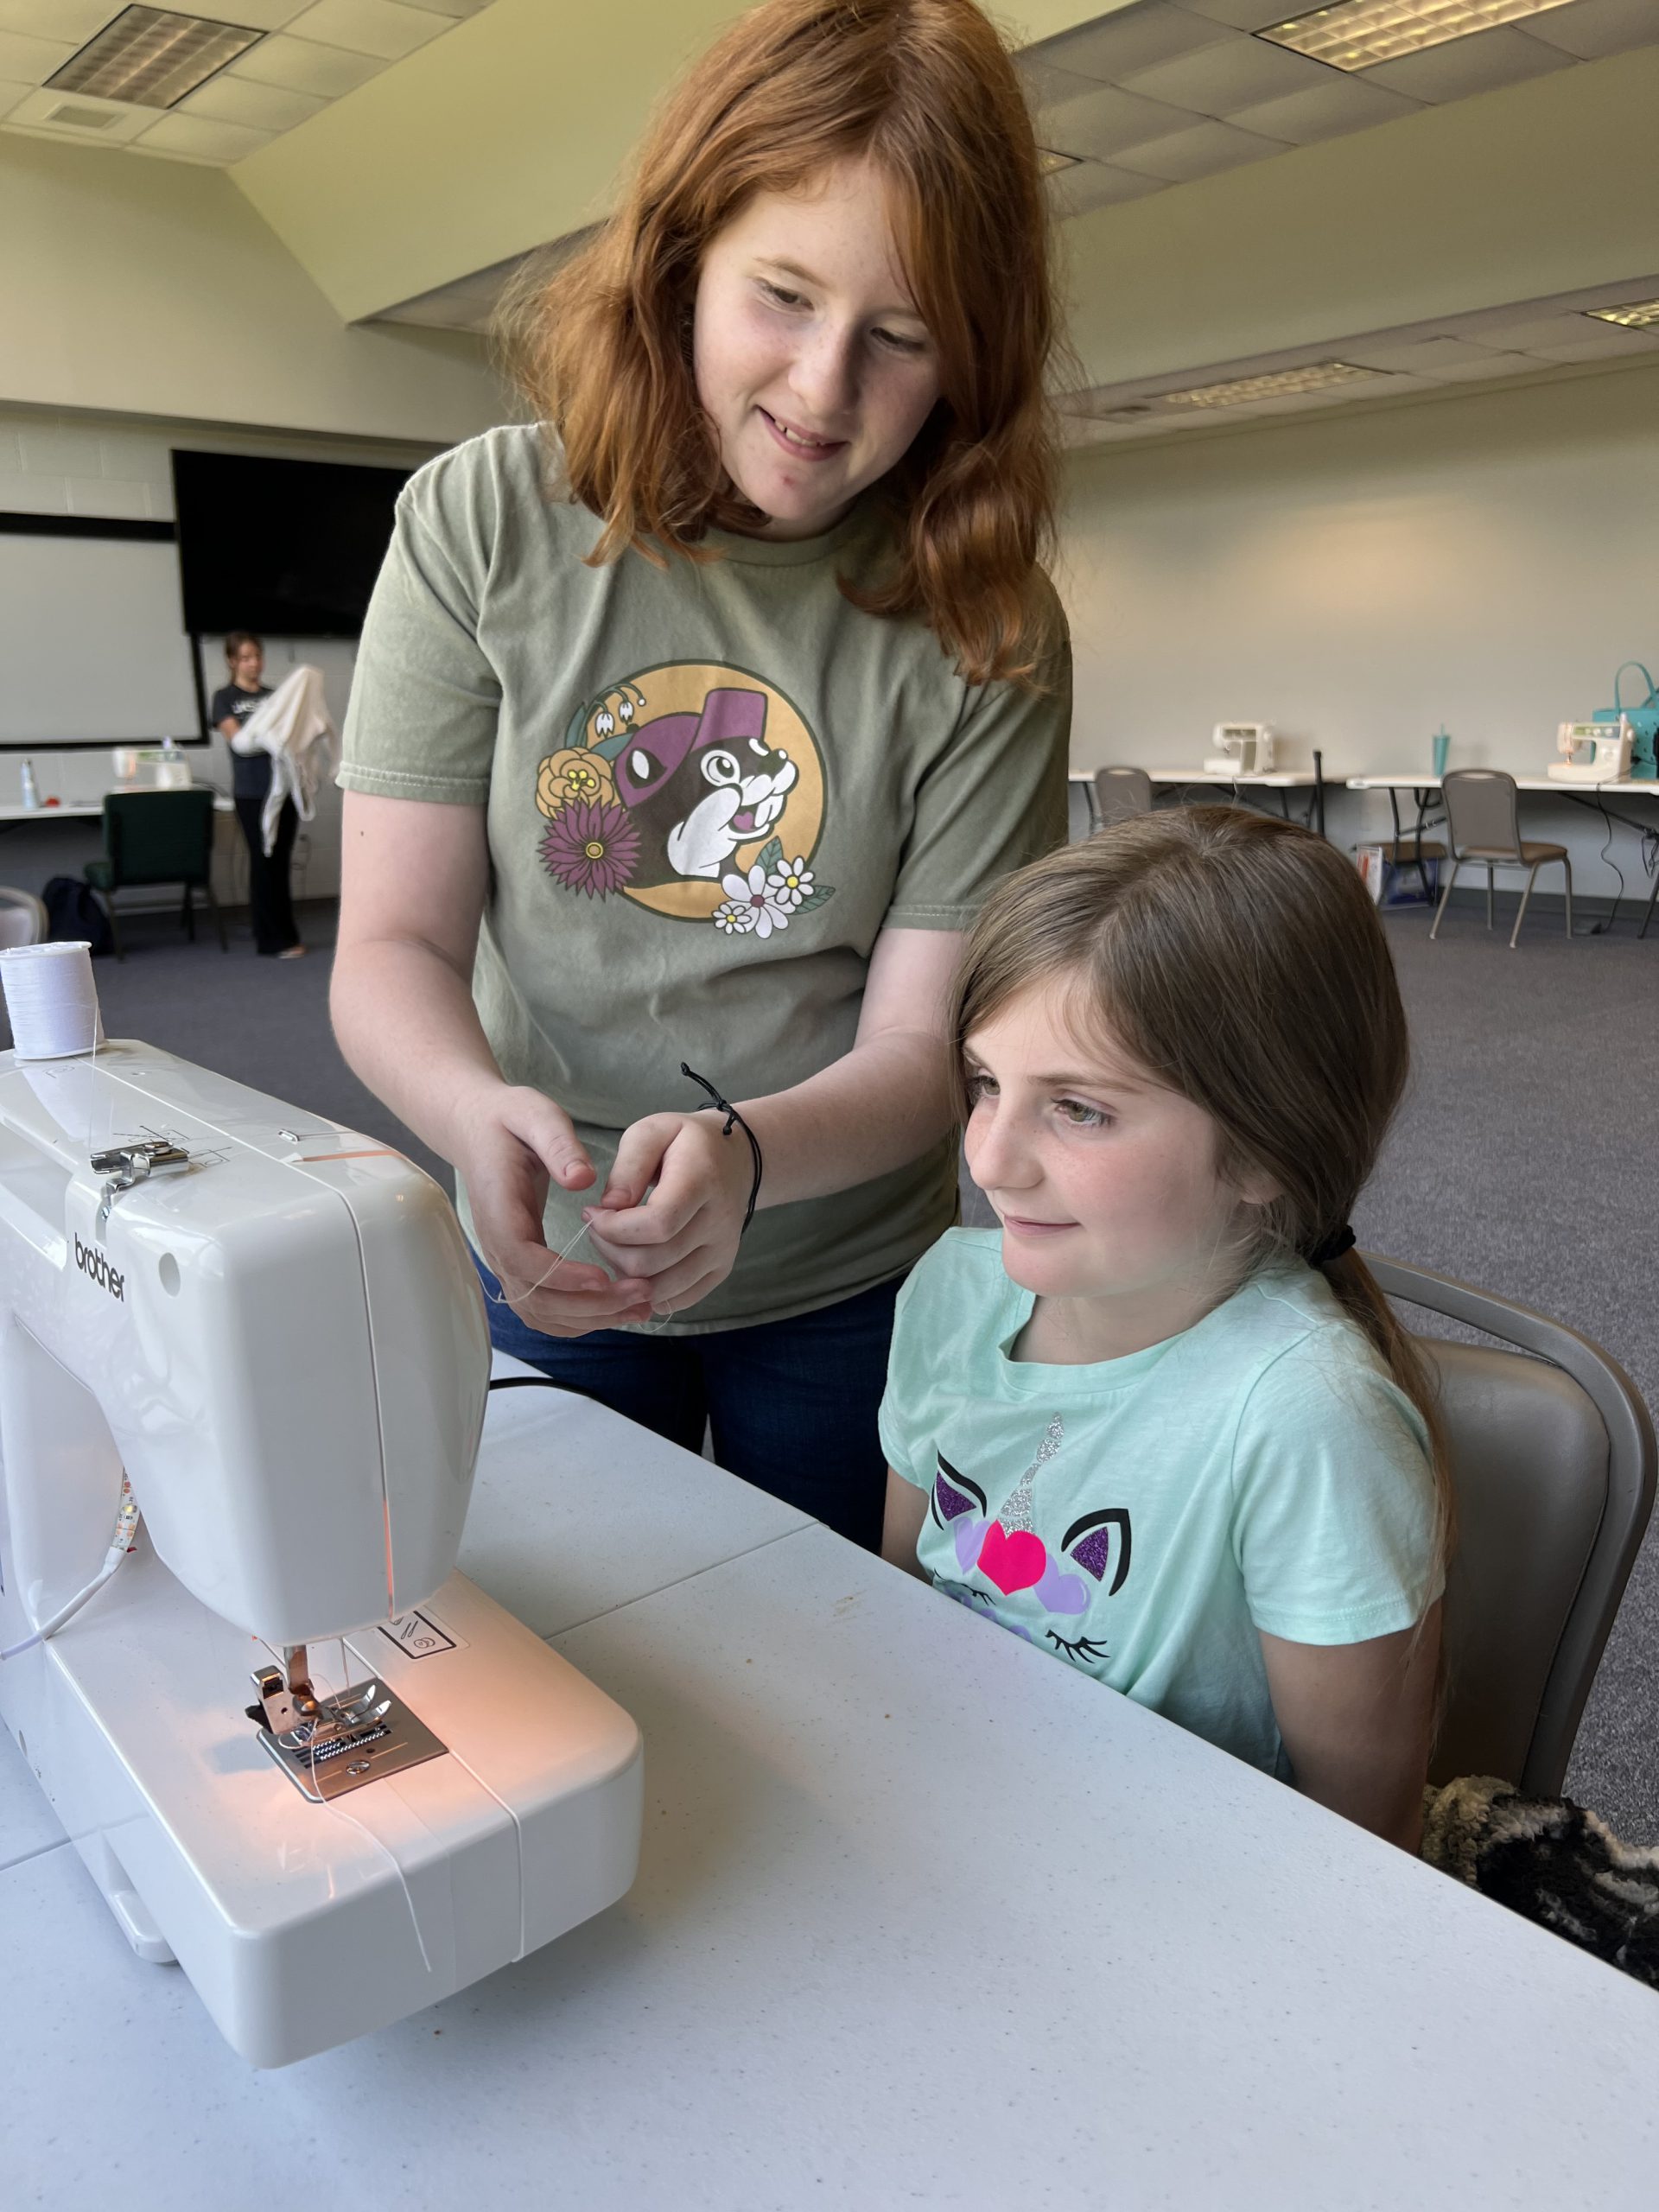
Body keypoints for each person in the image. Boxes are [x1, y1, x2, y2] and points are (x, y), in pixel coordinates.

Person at [330, 0, 1071, 1549]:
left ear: (971, 357)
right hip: (548, 1245)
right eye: (782, 297)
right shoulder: (482, 524)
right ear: (679, 264)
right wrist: (470, 1113)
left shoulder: (985, 623)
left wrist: (751, 1154)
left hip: (845, 1270)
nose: (823, 387)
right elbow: (392, 947)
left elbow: (926, 1043)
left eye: (902, 337)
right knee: (577, 1636)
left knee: (854, 1652)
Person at [879, 810, 1451, 1851]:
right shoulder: (951, 1295)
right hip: (947, 1819)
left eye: (1079, 1109)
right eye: (986, 1083)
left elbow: (1364, 1839)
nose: (987, 1160)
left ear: (1264, 1148)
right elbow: (902, 1623)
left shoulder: (1306, 1420)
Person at [211, 632, 305, 958]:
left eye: (257, 656)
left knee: (280, 863)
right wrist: (270, 738)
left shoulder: (274, 696)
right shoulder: (225, 698)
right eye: (246, 658)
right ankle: (271, 941)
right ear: (232, 661)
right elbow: (240, 743)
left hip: (284, 791)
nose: (254, 664)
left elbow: (291, 737)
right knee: (263, 863)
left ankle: (287, 934)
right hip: (252, 794)